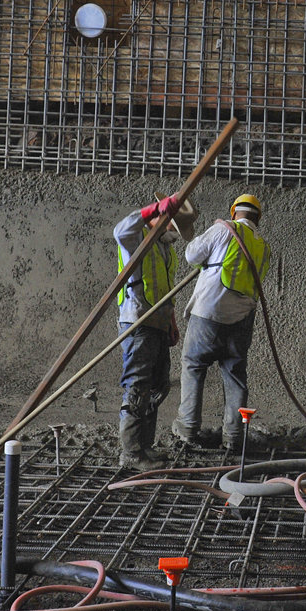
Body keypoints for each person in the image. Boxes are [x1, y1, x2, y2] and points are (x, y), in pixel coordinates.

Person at [171, 194, 271, 453]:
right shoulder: (263, 246)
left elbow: (192, 254)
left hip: (208, 314)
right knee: (235, 375)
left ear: (234, 211)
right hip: (242, 320)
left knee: (193, 366)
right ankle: (234, 436)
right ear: (258, 218)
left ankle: (188, 427)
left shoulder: (224, 229)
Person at [113, 192, 197, 468]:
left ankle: (144, 446)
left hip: (157, 323)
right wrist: (152, 210)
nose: (175, 233)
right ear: (164, 219)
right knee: (138, 388)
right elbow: (120, 229)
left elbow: (165, 290)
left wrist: (170, 321)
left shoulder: (166, 249)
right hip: (138, 322)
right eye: (175, 225)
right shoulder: (137, 238)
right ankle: (131, 453)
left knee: (158, 385)